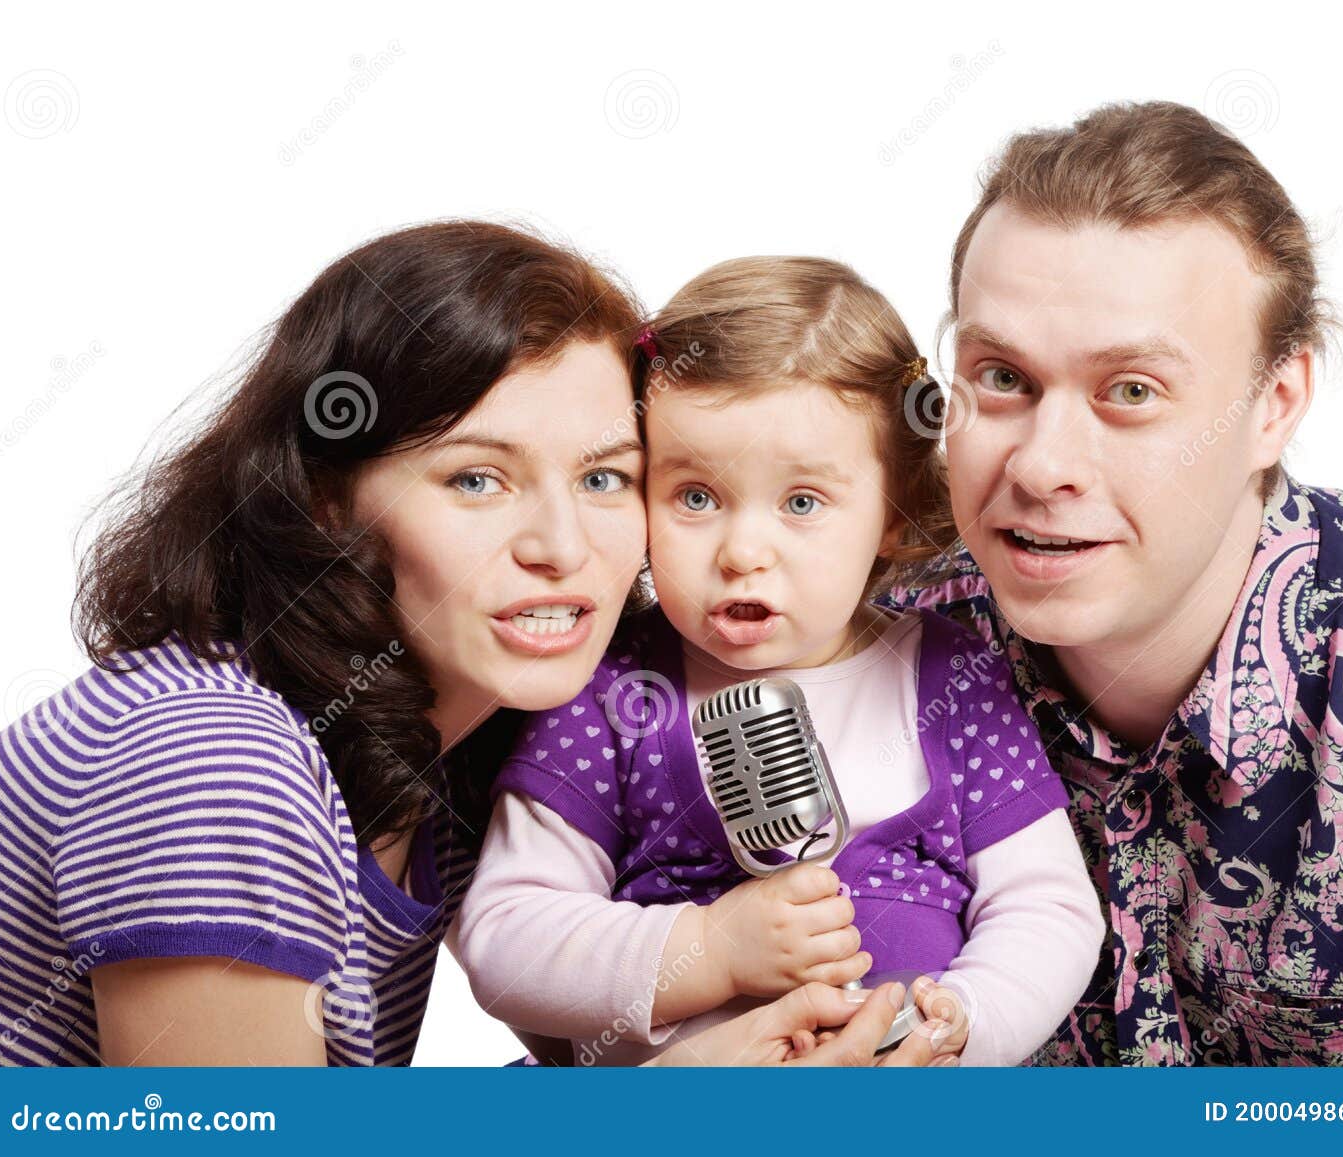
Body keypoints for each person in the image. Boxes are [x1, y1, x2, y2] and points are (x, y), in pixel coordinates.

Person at [0, 221, 943, 1068]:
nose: (560, 546)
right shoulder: (211, 759)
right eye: (478, 480)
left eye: (605, 479)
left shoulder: (446, 768)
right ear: (325, 499)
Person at [887, 101, 1343, 1065]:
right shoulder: (871, 645)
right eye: (1002, 377)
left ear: (1275, 404)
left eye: (1131, 390)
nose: (1042, 465)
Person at [456, 257, 1105, 1065]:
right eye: (696, 497)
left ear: (895, 512)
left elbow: (1049, 907)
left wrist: (963, 1024)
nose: (743, 551)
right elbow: (506, 936)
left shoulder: (954, 676)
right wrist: (708, 947)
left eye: (801, 502)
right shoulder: (610, 690)